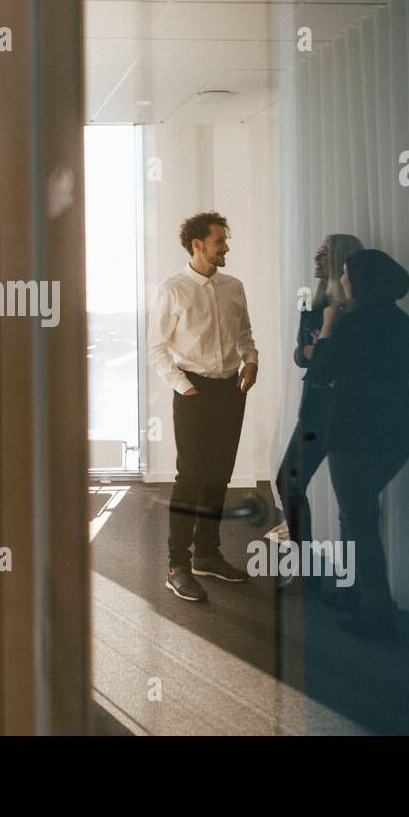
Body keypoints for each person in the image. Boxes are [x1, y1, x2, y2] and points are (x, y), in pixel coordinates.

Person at [308, 248, 409, 639]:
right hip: (395, 436)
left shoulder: (353, 323)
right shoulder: (400, 321)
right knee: (354, 516)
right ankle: (351, 592)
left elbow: (320, 374)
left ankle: (379, 616)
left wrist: (327, 326)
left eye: (345, 274)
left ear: (362, 280)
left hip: (354, 436)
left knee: (360, 524)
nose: (342, 281)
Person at [148, 212, 259, 602]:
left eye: (225, 240)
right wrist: (184, 386)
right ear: (197, 244)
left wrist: (251, 359)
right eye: (219, 241)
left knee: (218, 479)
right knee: (190, 479)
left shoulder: (234, 286)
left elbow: (244, 333)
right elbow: (156, 347)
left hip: (232, 390)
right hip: (193, 391)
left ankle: (207, 555)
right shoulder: (172, 290)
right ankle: (177, 565)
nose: (226, 247)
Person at [275, 234, 362, 550]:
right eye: (317, 252)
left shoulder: (355, 311)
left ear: (342, 260)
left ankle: (352, 584)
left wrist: (317, 349)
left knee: (351, 502)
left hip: (345, 410)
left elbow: (334, 361)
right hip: (313, 406)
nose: (317, 259)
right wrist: (314, 350)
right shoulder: (313, 306)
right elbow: (301, 356)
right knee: (289, 482)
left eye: (324, 253)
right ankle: (305, 566)